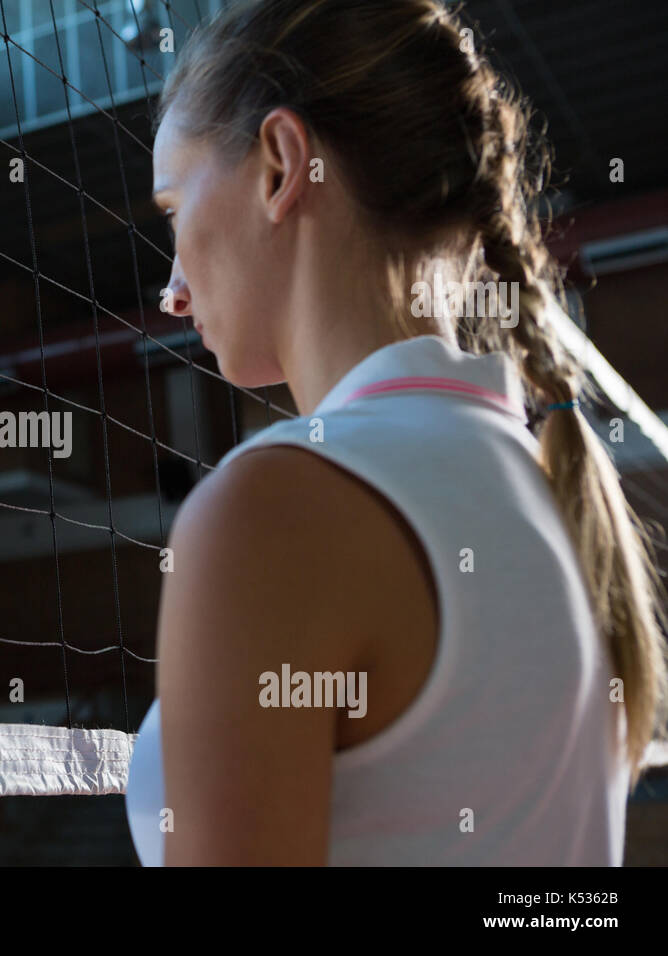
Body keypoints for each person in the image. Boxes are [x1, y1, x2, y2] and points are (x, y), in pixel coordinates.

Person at [126, 0, 667, 865]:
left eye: (171, 212)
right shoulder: (551, 491)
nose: (173, 290)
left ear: (280, 165)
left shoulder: (271, 512)